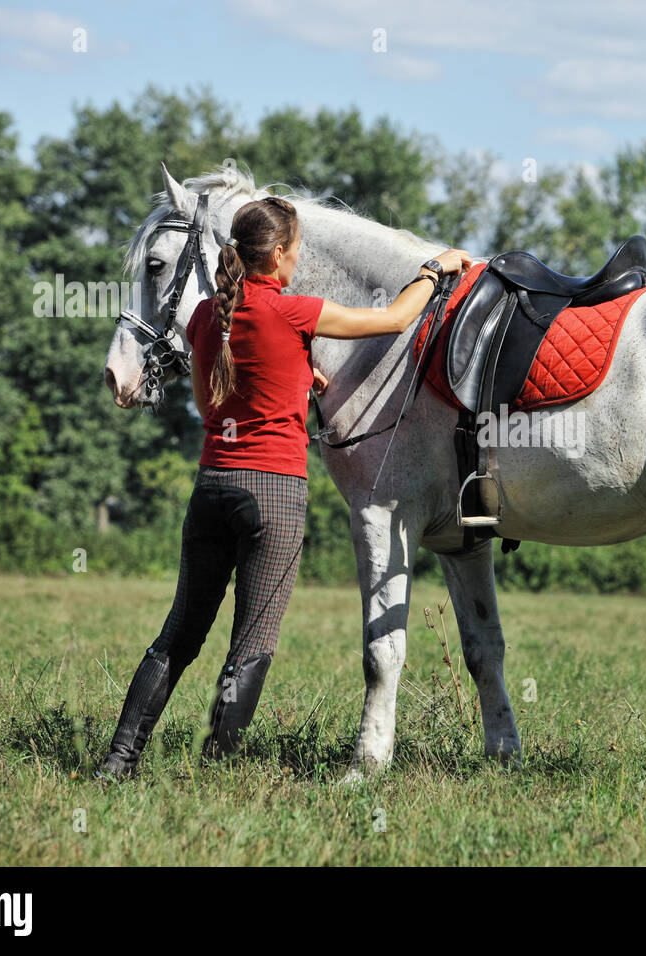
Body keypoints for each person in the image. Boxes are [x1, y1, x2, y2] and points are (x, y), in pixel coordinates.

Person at [98, 194, 471, 779]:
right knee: (251, 644)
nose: (299, 258)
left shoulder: (203, 320)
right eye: (295, 249)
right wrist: (433, 270)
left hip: (212, 487)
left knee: (179, 635)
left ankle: (118, 761)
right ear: (276, 255)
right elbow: (395, 319)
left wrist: (297, 377)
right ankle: (216, 772)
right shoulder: (296, 312)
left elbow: (211, 402)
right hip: (272, 494)